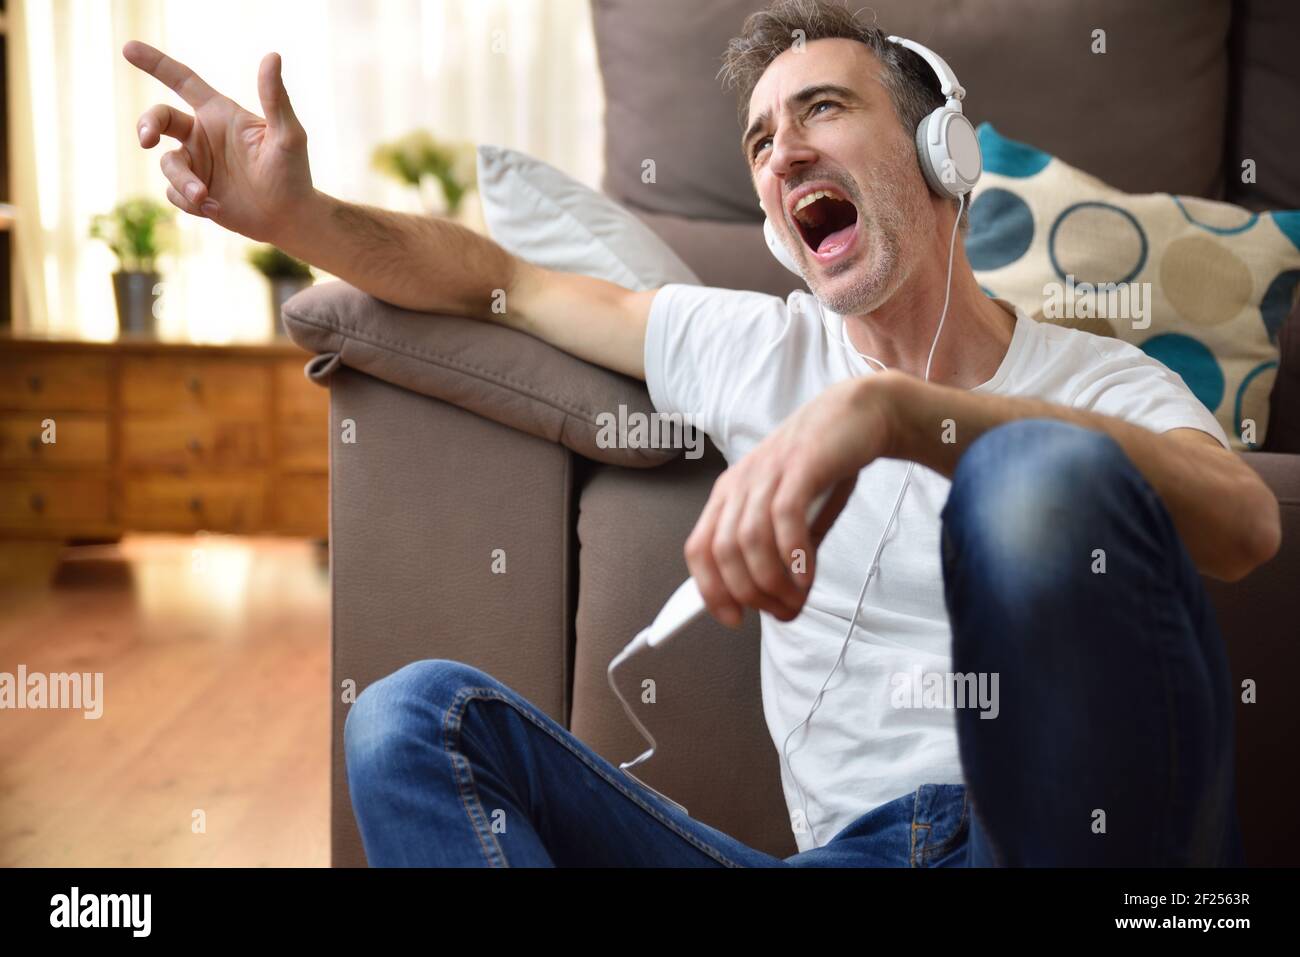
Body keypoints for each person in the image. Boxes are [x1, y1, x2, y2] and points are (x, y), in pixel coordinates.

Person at [123, 0, 1279, 867]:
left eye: (822, 107)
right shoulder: (754, 347)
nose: (782, 155)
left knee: (1032, 479)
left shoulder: (1091, 377)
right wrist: (297, 215)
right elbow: (501, 283)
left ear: (943, 153)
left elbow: (1241, 525)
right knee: (411, 718)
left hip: (1048, 844)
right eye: (760, 141)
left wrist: (893, 416)